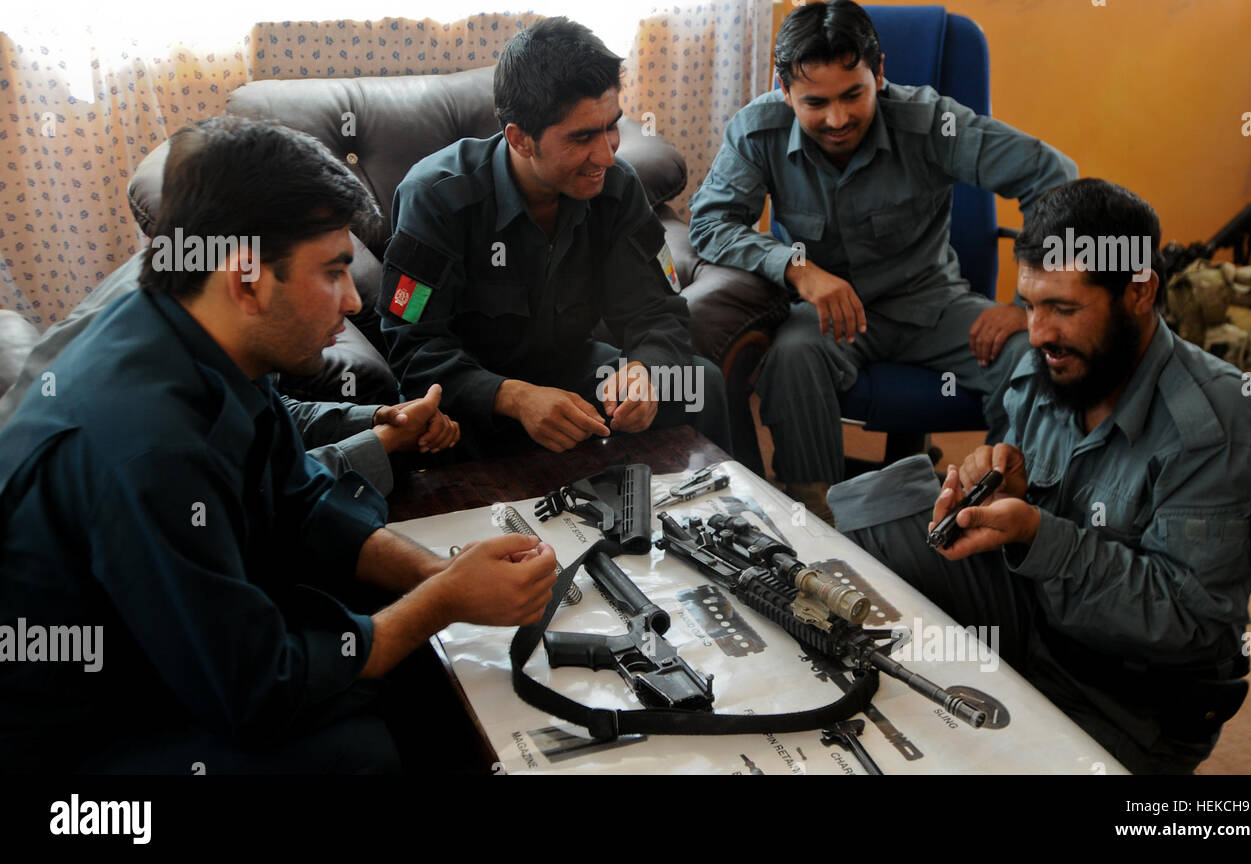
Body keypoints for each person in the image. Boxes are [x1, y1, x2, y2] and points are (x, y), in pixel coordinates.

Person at [0, 116, 557, 773]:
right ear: (246, 282)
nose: (353, 301)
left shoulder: (203, 336)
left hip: (179, 644)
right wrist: (446, 601)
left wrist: (437, 573)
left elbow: (304, 505)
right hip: (95, 723)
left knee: (413, 662)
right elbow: (259, 691)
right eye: (333, 272)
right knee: (364, 750)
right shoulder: (145, 449)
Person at [825, 178, 1251, 773]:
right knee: (877, 525)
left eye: (1064, 309)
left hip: (1132, 699)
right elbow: (1025, 479)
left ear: (1140, 292)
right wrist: (998, 477)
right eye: (1029, 304)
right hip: (1039, 619)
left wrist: (1038, 536)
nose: (1038, 332)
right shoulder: (1054, 366)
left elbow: (1189, 625)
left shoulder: (1222, 431)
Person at [689, 0, 1076, 518]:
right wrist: (797, 269)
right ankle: (820, 519)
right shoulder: (757, 130)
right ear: (784, 89)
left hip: (933, 304)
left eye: (854, 94)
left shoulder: (930, 122)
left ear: (880, 73)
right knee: (792, 356)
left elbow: (1053, 175)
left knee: (1034, 359)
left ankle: (1004, 508)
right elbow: (710, 224)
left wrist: (1029, 304)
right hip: (829, 315)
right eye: (815, 103)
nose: (837, 119)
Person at [379, 17, 731, 457]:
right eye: (582, 137)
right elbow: (412, 349)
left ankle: (726, 521)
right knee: (433, 436)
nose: (606, 154)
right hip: (468, 398)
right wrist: (514, 397)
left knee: (700, 383)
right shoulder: (435, 197)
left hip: (573, 375)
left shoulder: (617, 189)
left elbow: (658, 311)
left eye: (612, 126)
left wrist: (646, 373)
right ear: (520, 140)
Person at [0, 252, 460, 497]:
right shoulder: (159, 391)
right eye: (331, 271)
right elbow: (264, 498)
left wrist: (375, 419)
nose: (353, 301)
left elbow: (268, 417)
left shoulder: (212, 298)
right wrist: (380, 445)